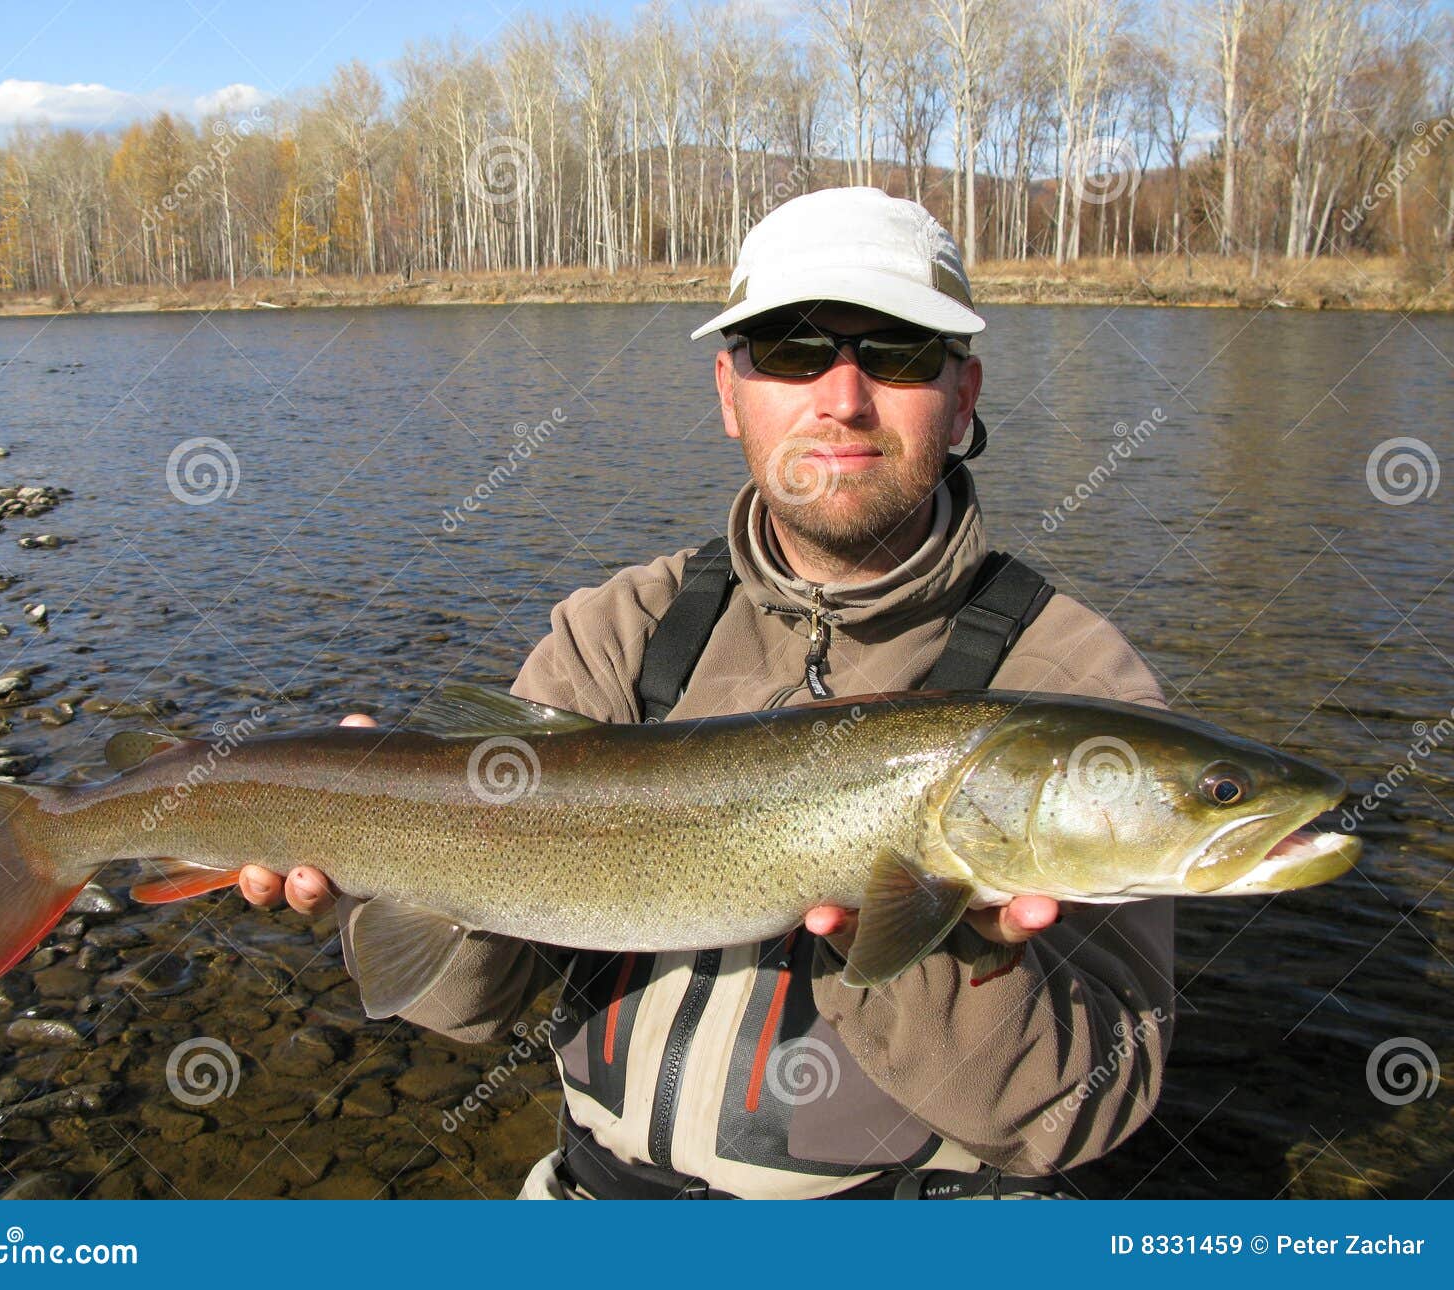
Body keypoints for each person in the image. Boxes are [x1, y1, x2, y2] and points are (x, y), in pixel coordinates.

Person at [239, 187, 1175, 1199]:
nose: (843, 398)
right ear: (730, 391)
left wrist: (953, 957)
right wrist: (383, 849)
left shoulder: (1074, 686)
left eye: (898, 353)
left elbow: (1077, 1117)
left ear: (965, 394)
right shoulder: (619, 630)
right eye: (792, 350)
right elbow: (478, 1011)